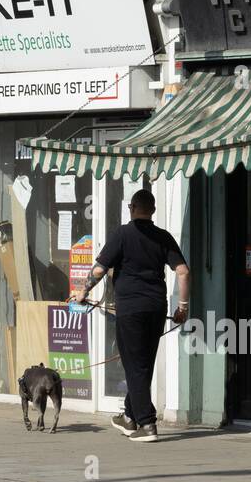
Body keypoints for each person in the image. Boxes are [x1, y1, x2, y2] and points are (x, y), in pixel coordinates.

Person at [78, 188, 189, 442]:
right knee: (143, 363)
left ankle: (147, 424)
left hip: (131, 309)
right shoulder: (163, 237)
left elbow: (98, 271)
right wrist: (182, 307)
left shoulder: (123, 234)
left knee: (134, 364)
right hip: (157, 309)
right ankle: (129, 416)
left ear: (131, 208)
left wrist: (82, 291)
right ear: (153, 210)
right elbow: (183, 272)